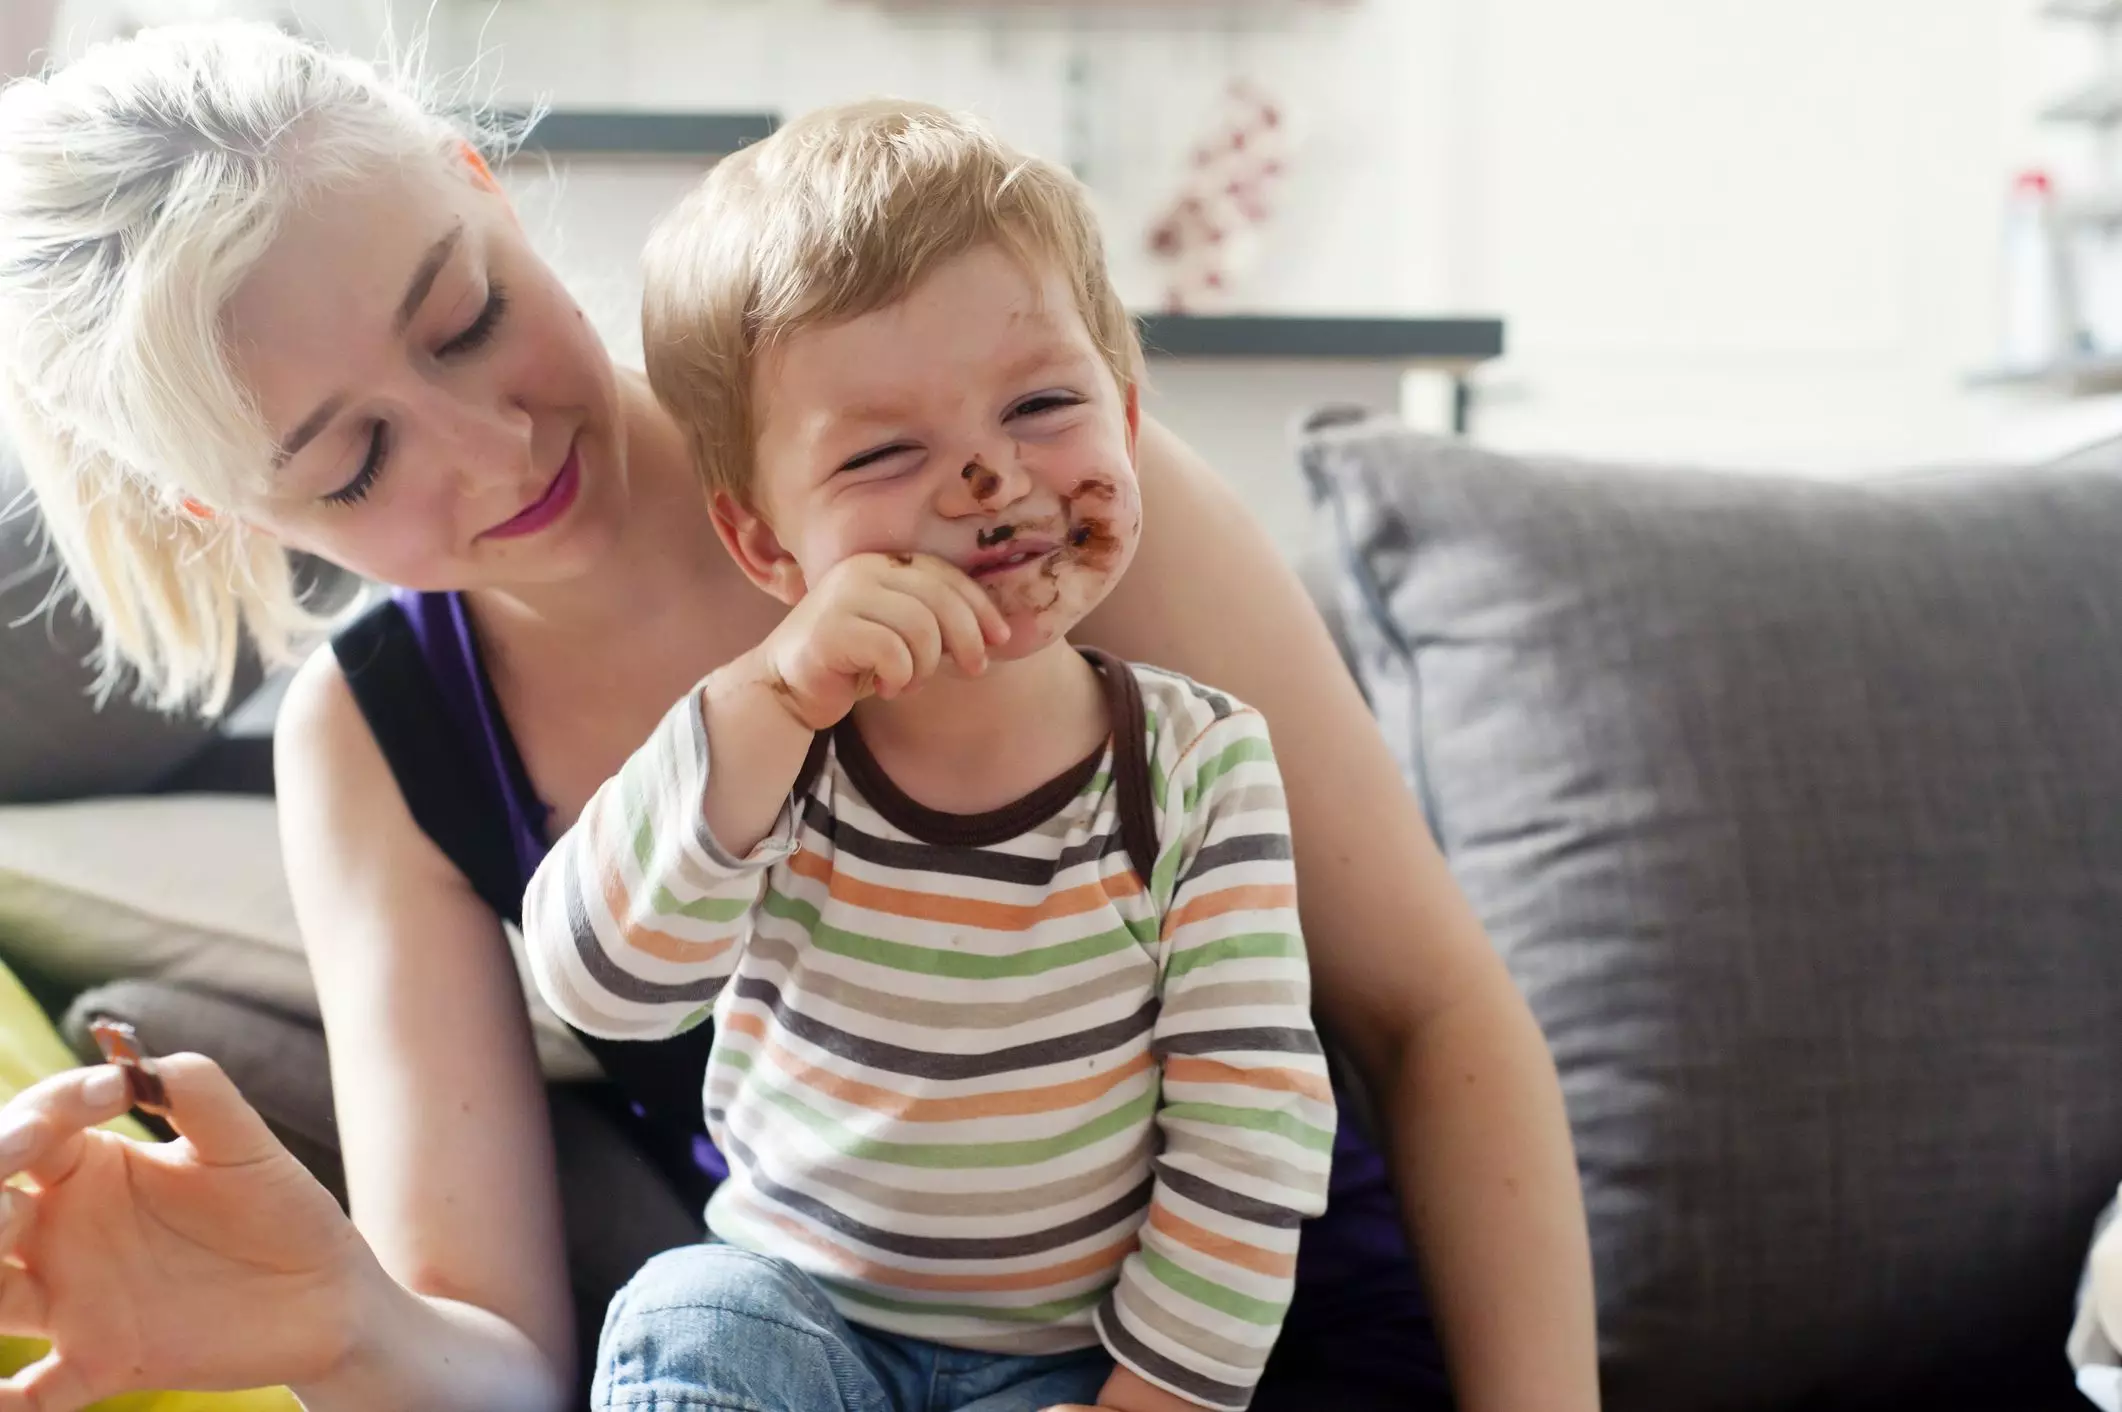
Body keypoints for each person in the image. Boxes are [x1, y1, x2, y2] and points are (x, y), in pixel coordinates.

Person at [0, 19, 1597, 1412]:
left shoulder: (1020, 480)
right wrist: (334, 1323)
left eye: (467, 316)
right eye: (351, 464)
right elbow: (508, 1363)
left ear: (483, 187)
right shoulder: (372, 747)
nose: (490, 450)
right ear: (222, 513)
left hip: (1259, 1355)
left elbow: (1429, 1012)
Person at [522, 99, 1332, 1412]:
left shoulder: (1195, 766)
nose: (985, 477)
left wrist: (1151, 1399)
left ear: (1124, 421)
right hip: (798, 1317)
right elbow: (599, 990)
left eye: (1043, 403)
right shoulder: (762, 749)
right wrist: (771, 700)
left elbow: (1249, 1130)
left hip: (1067, 1360)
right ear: (768, 549)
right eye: (888, 451)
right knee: (683, 1305)